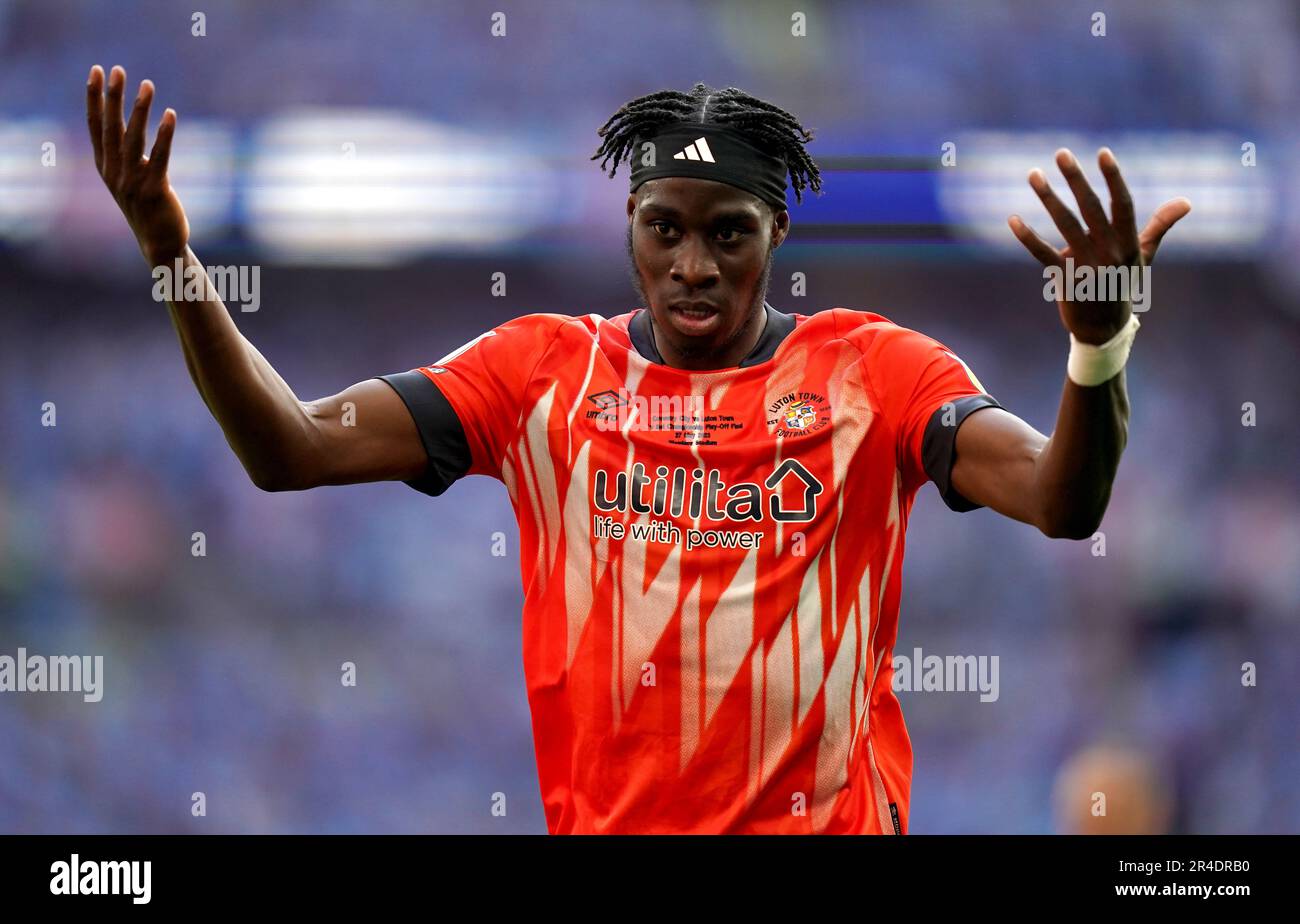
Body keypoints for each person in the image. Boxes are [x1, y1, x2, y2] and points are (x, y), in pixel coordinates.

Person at [85, 67, 1191, 834]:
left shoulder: (876, 373)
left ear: (776, 237)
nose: (694, 263)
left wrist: (1097, 354)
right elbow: (287, 450)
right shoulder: (535, 376)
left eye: (729, 233)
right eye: (666, 226)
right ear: (629, 228)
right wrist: (177, 259)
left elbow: (1062, 501)